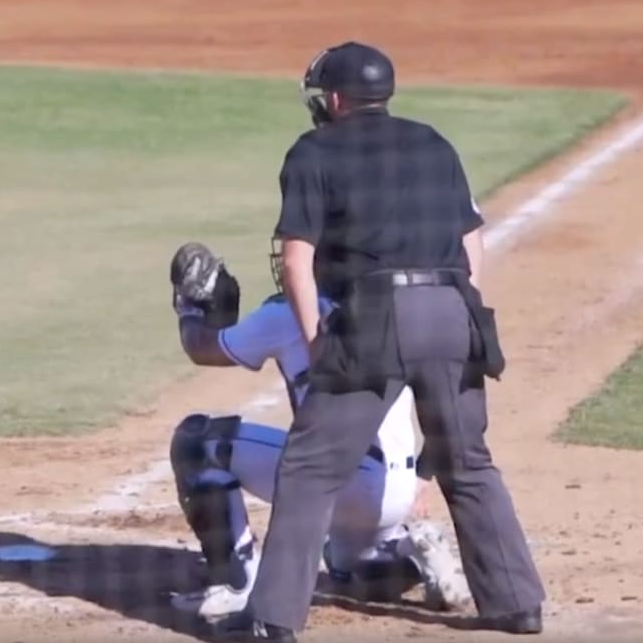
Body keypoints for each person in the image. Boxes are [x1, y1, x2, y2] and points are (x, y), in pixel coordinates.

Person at [237, 43, 546, 641]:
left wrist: (318, 341)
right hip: (453, 308)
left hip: (376, 316)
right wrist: (466, 309)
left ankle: (273, 621)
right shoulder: (434, 142)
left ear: (333, 99)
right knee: (468, 462)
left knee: (308, 469)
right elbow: (471, 241)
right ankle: (518, 605)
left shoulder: (313, 150)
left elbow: (297, 260)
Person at [164, 242, 470, 623]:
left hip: (338, 482)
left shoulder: (286, 312)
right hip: (397, 490)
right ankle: (411, 547)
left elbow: (203, 349)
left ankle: (236, 584)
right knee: (345, 566)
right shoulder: (396, 303)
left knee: (196, 443)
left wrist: (190, 309)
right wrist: (423, 473)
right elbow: (444, 401)